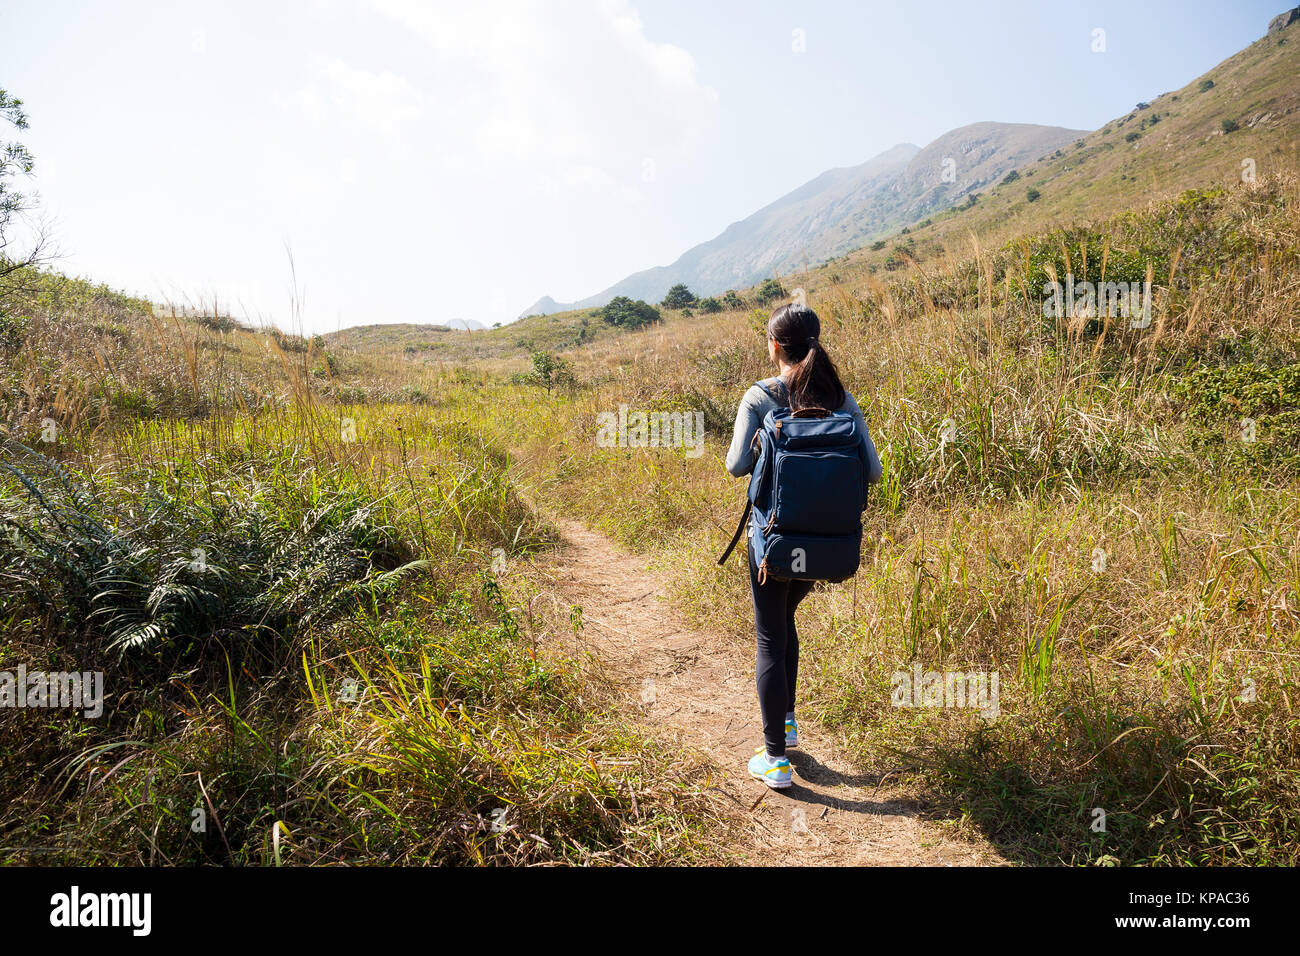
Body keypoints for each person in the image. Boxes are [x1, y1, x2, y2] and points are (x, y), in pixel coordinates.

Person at [724, 302, 882, 788]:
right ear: (814, 341)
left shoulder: (760, 396)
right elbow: (872, 471)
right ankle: (787, 723)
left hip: (772, 544)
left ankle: (774, 759)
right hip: (826, 543)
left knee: (769, 633)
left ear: (774, 345)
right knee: (786, 621)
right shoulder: (840, 397)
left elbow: (734, 467)